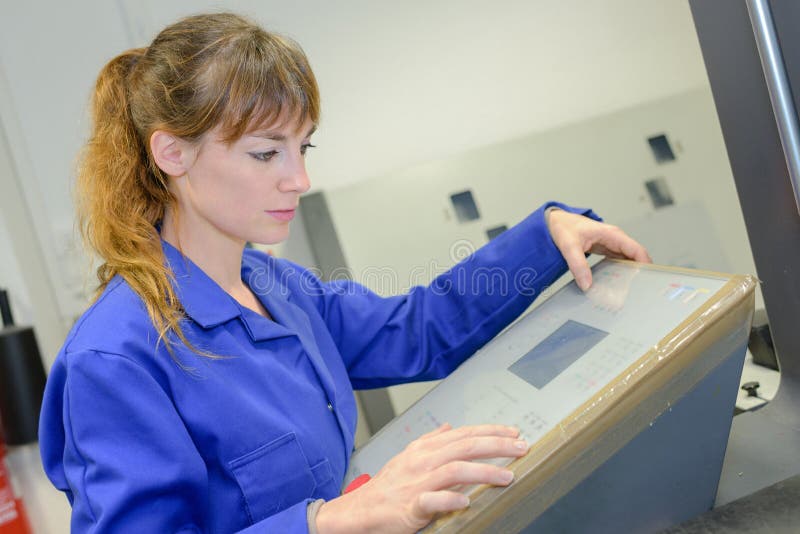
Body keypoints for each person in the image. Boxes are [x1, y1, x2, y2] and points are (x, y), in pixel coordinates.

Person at [38, 12, 651, 534]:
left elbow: (418, 331)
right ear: (172, 153)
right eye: (265, 152)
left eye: (302, 148)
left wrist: (545, 237)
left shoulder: (279, 290)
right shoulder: (114, 359)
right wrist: (337, 519)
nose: (298, 179)